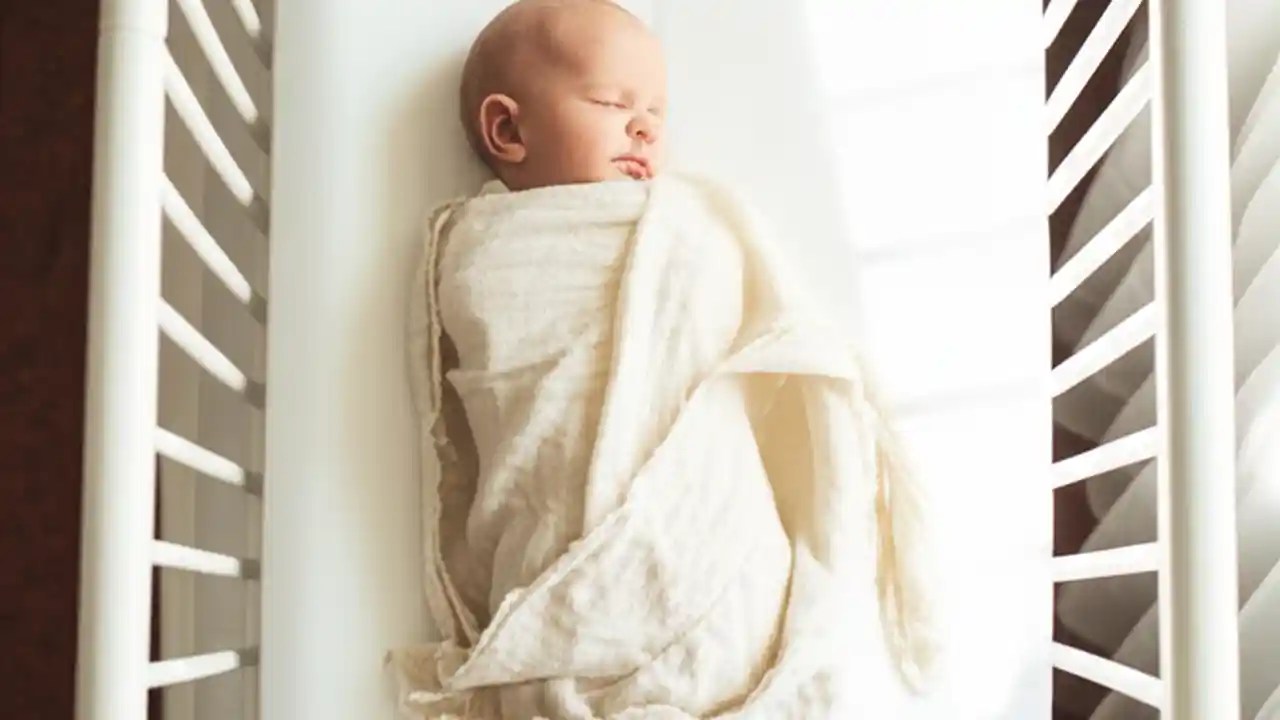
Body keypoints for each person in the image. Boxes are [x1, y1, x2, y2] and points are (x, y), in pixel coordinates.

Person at [388, 2, 938, 717]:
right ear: (508, 129)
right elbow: (506, 384)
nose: (645, 126)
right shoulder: (485, 249)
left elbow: (741, 342)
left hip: (708, 539)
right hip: (559, 557)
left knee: (729, 623)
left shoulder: (689, 228)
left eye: (656, 111)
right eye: (612, 103)